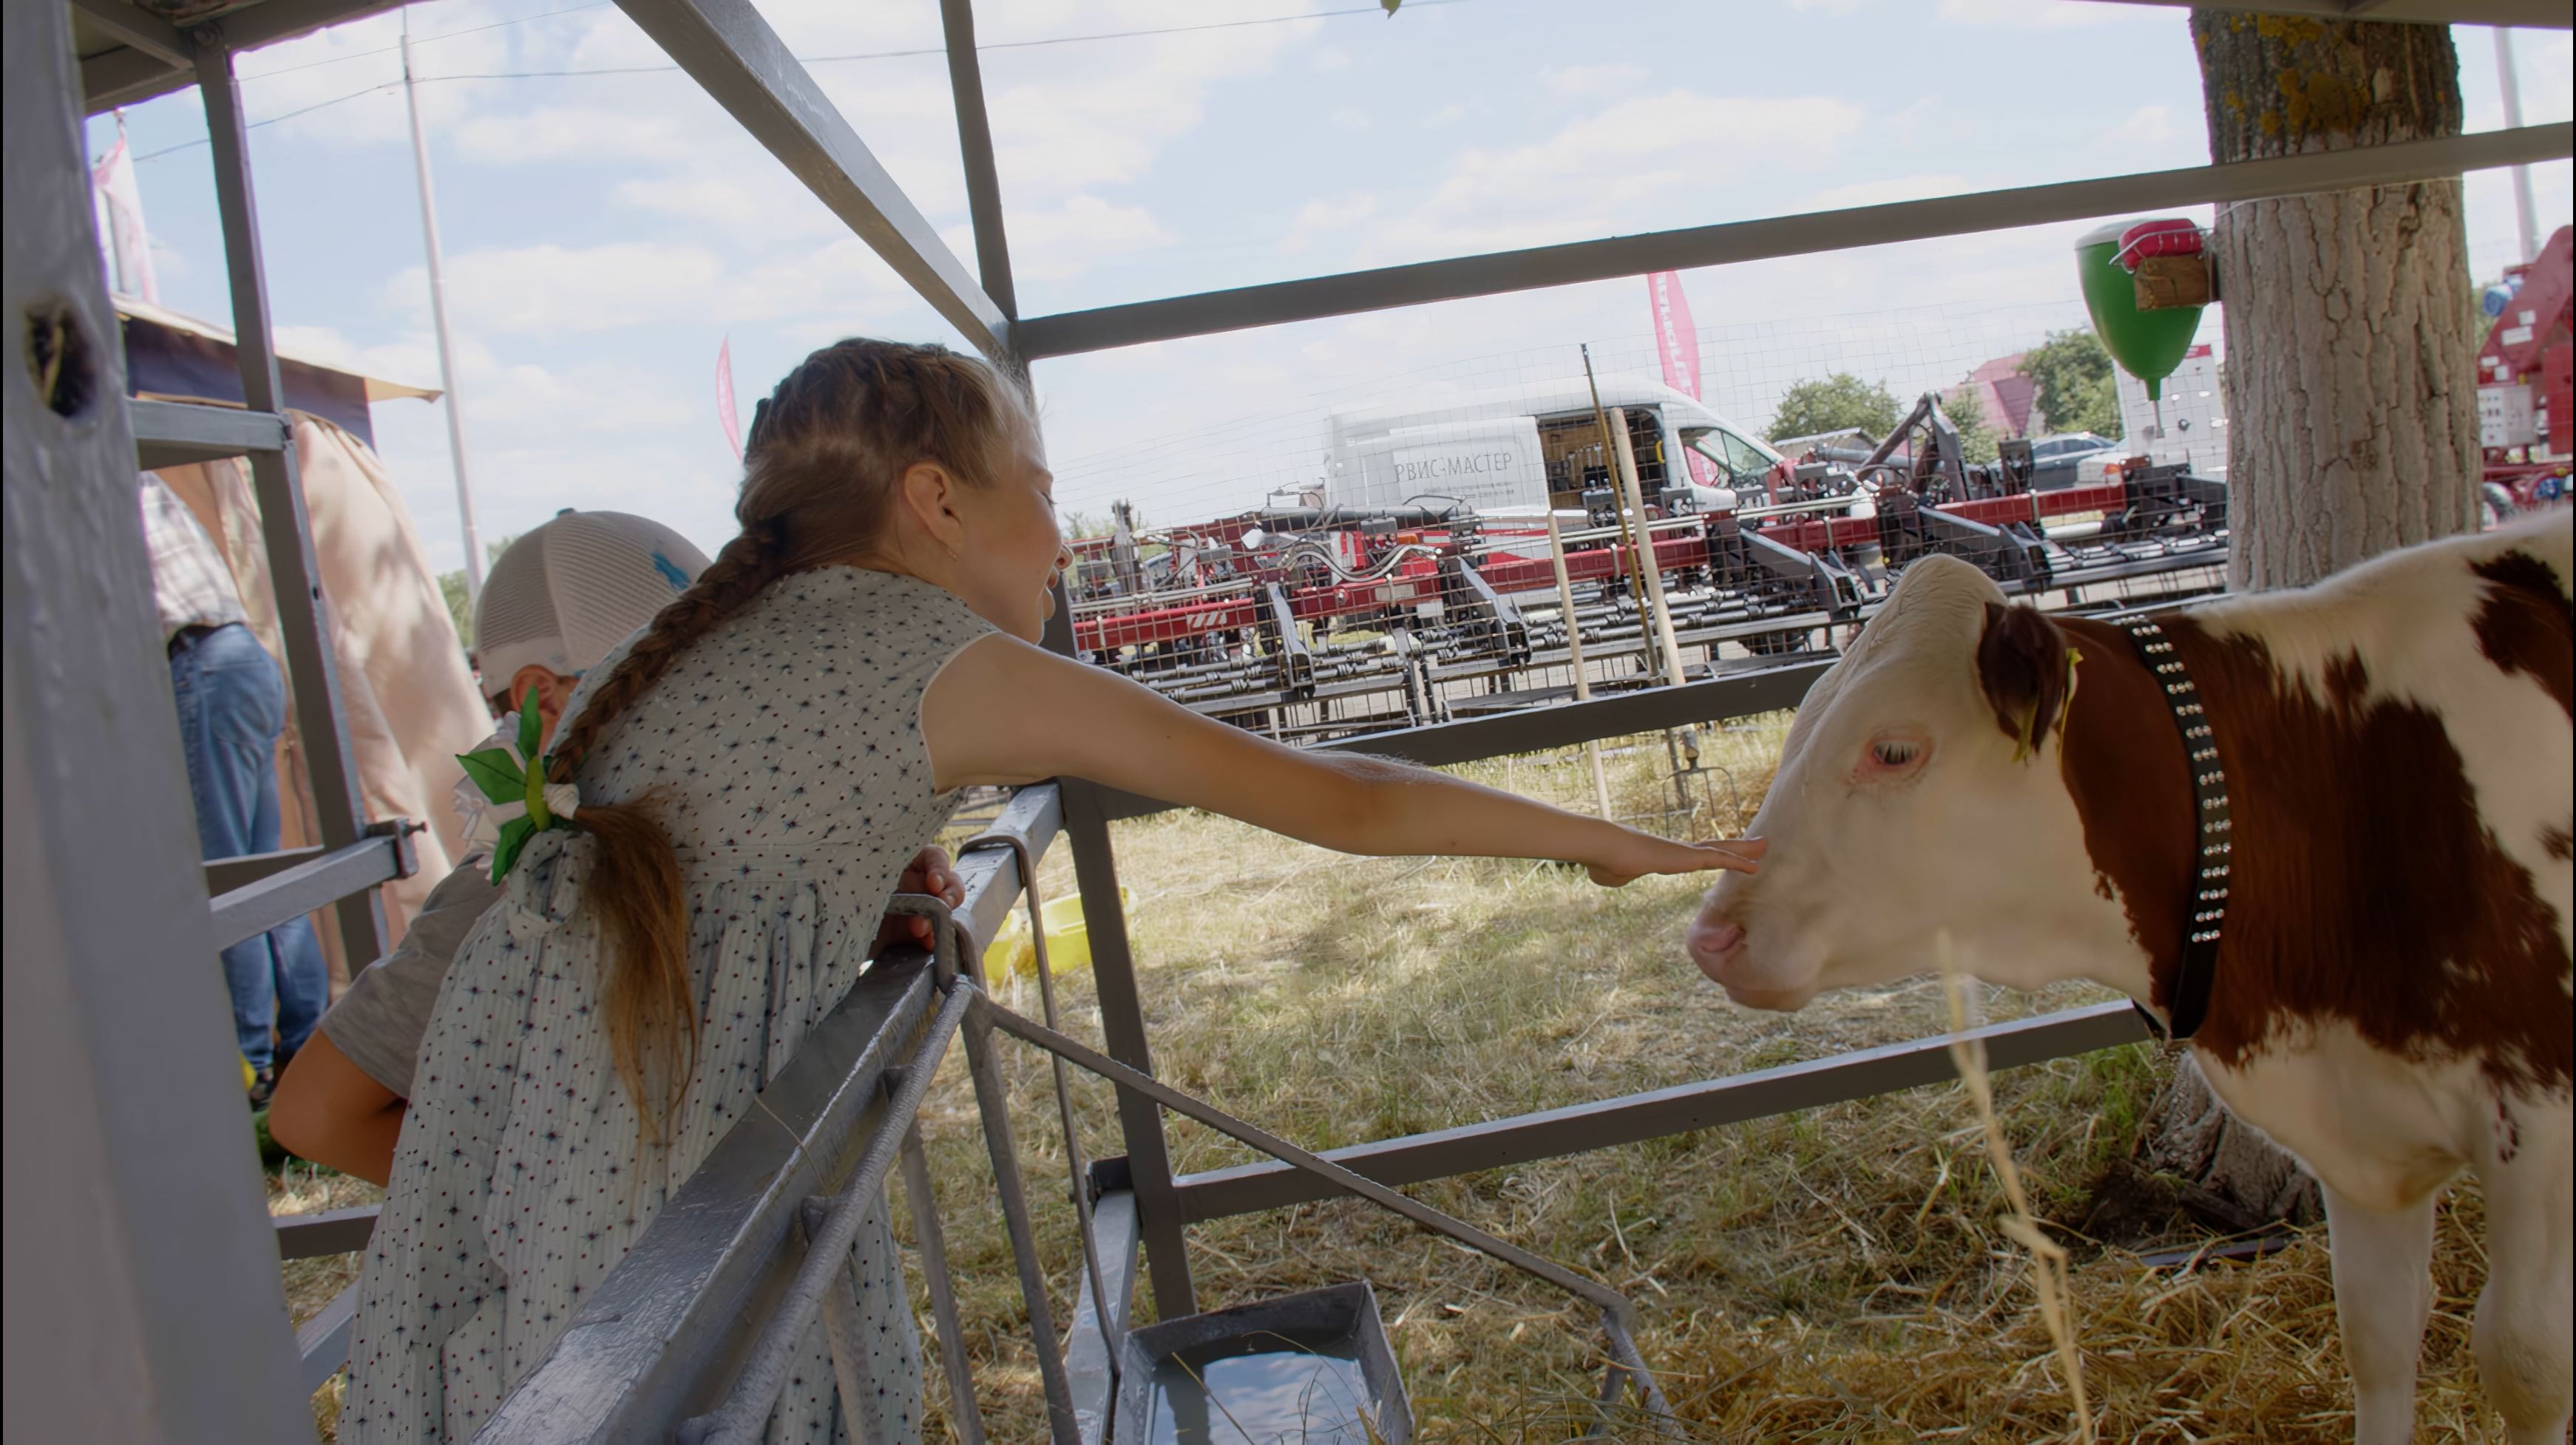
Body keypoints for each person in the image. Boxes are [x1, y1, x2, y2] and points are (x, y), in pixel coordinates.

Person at [339, 339, 1764, 1443]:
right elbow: (1340, 795)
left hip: (501, 1280)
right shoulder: (915, 652)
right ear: (933, 501)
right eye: (1039, 490)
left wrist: (872, 883)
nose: (1062, 536)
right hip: (658, 1310)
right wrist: (1600, 841)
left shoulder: (690, 657)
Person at [271, 509, 970, 1181]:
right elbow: (316, 1114)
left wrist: (861, 907)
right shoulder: (518, 891)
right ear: (544, 700)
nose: (724, 716)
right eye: (678, 683)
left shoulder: (710, 837)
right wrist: (529, 1211)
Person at [143, 472, 330, 1106]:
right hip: (242, 658)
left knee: (227, 880)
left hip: (200, 661)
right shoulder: (143, 478)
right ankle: (305, 1042)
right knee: (265, 871)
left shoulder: (86, 468)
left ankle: (249, 1065)